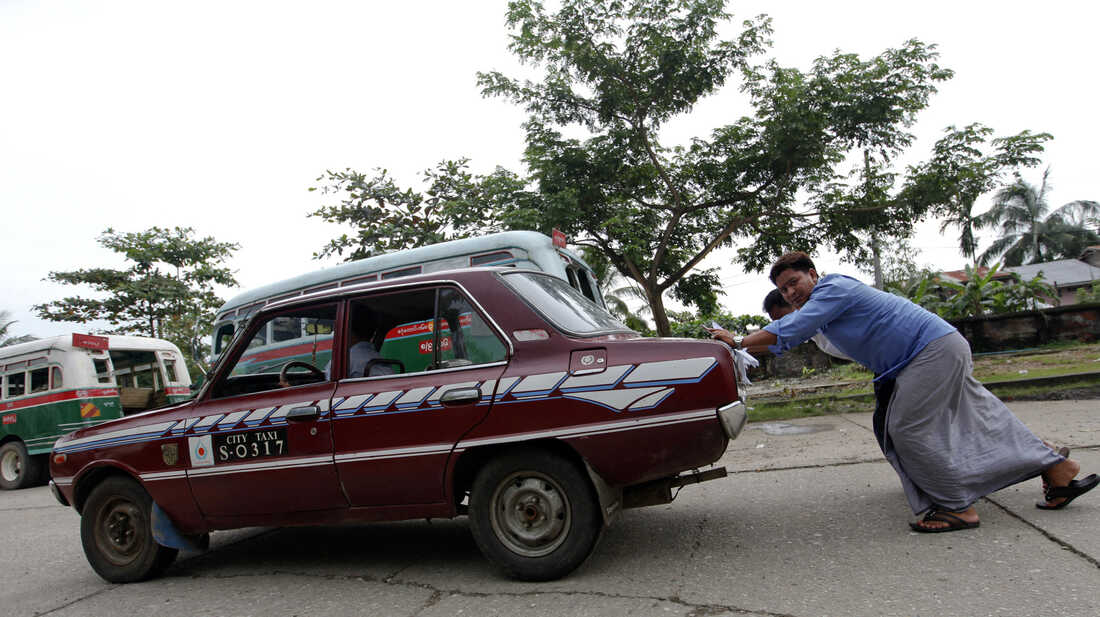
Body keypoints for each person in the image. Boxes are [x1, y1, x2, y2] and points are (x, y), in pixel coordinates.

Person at [711, 251, 1097, 533]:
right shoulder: (822, 314)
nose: (791, 292)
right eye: (783, 288)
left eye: (794, 283)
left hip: (927, 352)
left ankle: (956, 508)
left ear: (813, 274)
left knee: (907, 429)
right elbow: (783, 338)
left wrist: (738, 339)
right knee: (980, 416)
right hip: (933, 350)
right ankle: (1059, 470)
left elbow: (792, 327)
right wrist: (739, 348)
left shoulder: (835, 287)